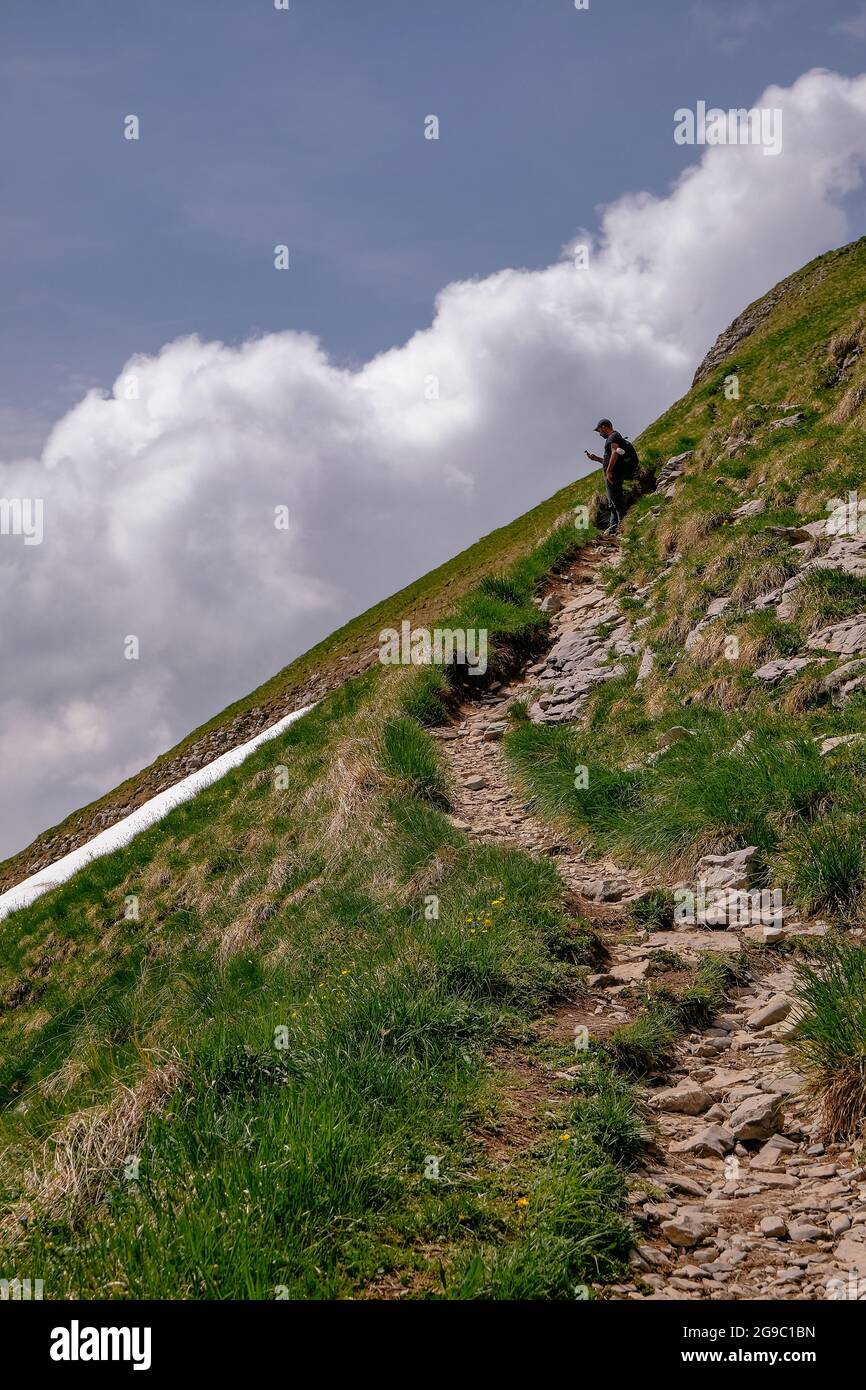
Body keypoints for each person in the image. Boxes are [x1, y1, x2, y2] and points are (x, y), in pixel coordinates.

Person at [585, 419, 631, 535]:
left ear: (604, 427)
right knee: (612, 503)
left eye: (599, 431)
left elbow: (615, 452)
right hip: (613, 473)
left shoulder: (613, 436)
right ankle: (613, 528)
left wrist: (609, 471)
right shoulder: (614, 437)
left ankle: (623, 526)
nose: (600, 434)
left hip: (613, 474)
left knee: (616, 500)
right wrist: (598, 459)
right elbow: (611, 458)